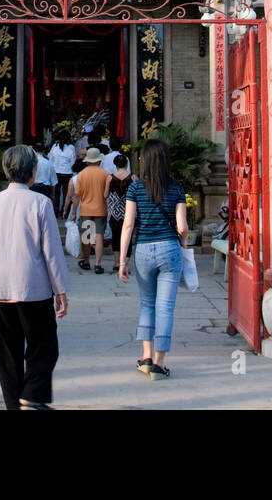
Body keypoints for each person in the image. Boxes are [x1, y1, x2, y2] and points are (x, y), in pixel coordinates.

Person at [0, 144, 70, 410]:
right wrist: (61, 290)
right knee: (44, 345)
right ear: (33, 172)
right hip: (33, 287)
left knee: (7, 353)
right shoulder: (40, 203)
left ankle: (14, 404)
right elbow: (51, 251)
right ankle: (31, 395)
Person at [118, 138, 188, 380]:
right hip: (170, 248)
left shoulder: (135, 188)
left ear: (145, 161)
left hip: (143, 250)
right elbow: (182, 227)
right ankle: (159, 363)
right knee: (165, 307)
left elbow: (127, 226)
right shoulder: (177, 188)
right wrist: (184, 242)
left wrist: (123, 261)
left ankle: (146, 358)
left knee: (147, 303)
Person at [66, 146, 111, 273]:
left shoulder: (81, 175)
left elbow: (77, 196)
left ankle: (86, 261)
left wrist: (74, 212)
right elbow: (106, 194)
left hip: (85, 210)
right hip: (101, 209)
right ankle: (97, 263)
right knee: (98, 237)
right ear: (98, 160)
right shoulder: (105, 174)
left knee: (86, 237)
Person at [102, 151, 134, 273]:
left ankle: (116, 262)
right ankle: (124, 263)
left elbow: (105, 195)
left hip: (114, 213)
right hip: (128, 212)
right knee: (128, 238)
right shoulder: (133, 177)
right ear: (126, 164)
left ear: (115, 165)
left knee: (116, 237)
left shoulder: (110, 178)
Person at [48, 129, 77, 214]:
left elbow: (50, 160)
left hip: (56, 173)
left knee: (56, 193)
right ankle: (64, 211)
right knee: (66, 194)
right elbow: (73, 163)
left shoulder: (54, 148)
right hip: (67, 173)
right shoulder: (71, 149)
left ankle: (55, 211)